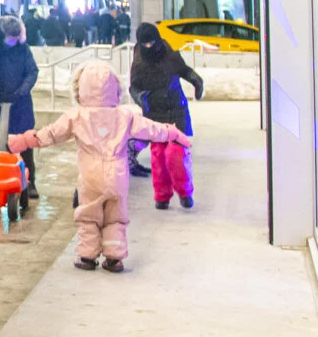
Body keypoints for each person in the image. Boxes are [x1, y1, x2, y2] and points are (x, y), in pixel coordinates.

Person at [11, 61, 190, 272]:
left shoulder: (77, 116)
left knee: (89, 216)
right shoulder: (125, 116)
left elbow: (51, 133)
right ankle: (114, 258)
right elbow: (152, 129)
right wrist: (173, 133)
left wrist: (25, 140)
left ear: (81, 88)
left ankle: (87, 257)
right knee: (115, 217)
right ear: (115, 88)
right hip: (117, 175)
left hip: (90, 176)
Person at [129, 22, 205, 210]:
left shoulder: (170, 55)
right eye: (145, 44)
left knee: (176, 155)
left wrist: (197, 81)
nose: (149, 46)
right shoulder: (139, 62)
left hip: (176, 111)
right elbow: (134, 86)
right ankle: (161, 195)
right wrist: (140, 98)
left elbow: (184, 70)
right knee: (158, 157)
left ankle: (185, 192)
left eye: (151, 42)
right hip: (154, 114)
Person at [0, 16, 39, 197]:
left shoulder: (23, 48)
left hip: (20, 103)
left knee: (25, 142)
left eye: (16, 37)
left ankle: (29, 181)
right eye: (11, 38)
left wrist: (21, 91)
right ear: (2, 34)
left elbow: (32, 71)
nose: (14, 41)